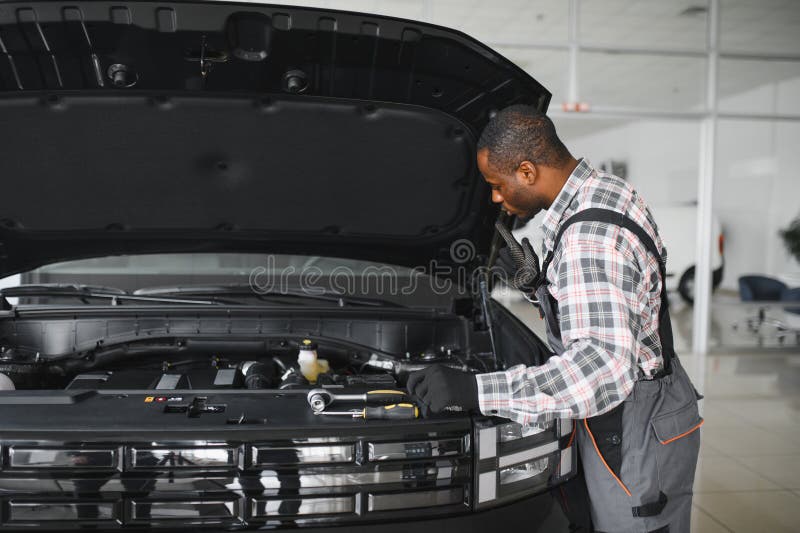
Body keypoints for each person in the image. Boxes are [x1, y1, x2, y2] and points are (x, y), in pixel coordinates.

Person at [407, 104, 702, 532]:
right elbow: (624, 301)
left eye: (496, 184)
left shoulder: (589, 237)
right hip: (646, 408)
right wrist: (539, 285)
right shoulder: (602, 191)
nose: (494, 197)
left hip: (634, 424)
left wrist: (477, 390)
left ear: (527, 171)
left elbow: (600, 371)